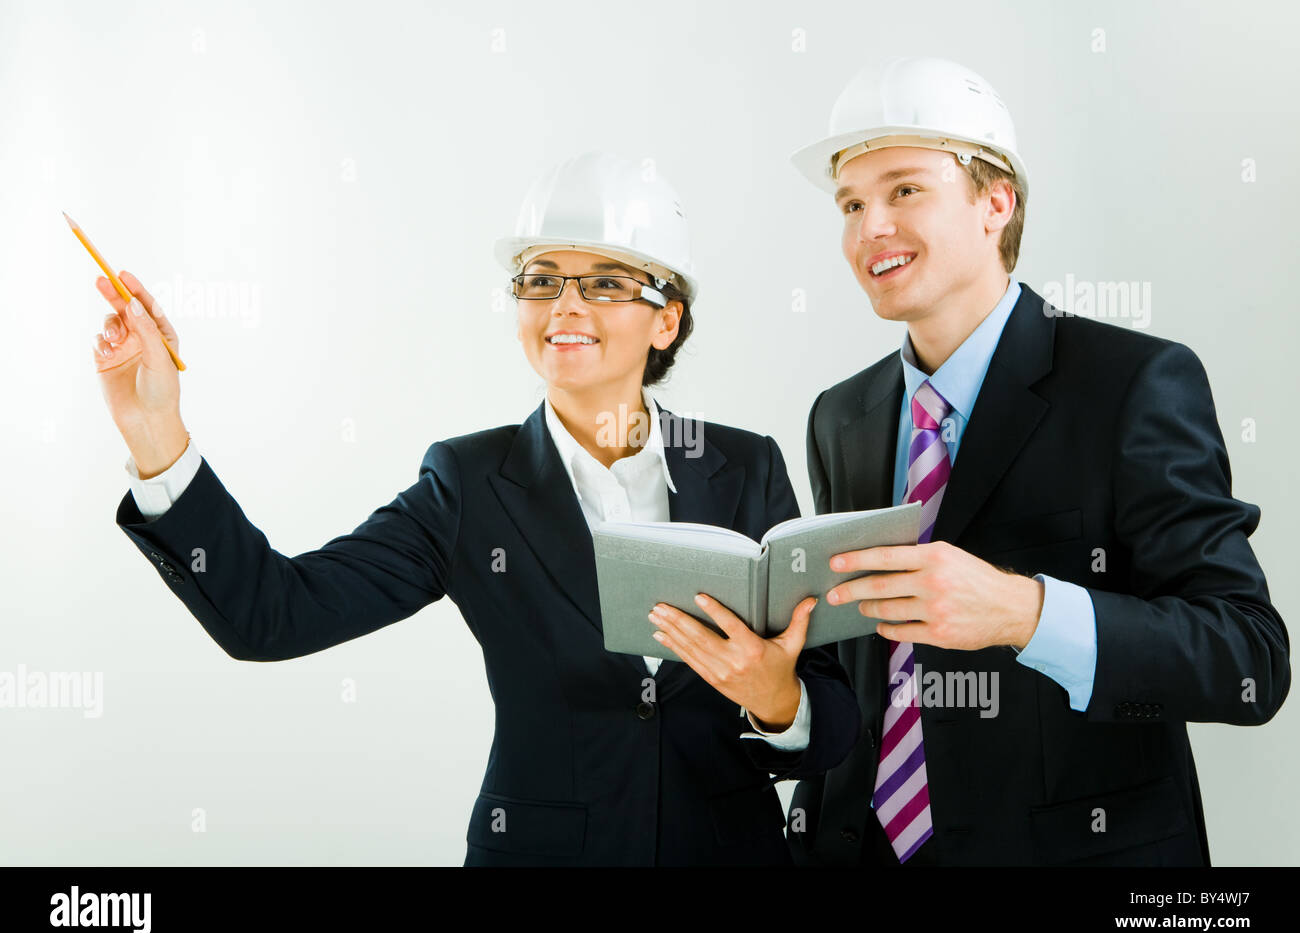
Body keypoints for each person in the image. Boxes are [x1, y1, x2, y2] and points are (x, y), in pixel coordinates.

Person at [92, 151, 859, 866]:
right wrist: (155, 430)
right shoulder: (469, 481)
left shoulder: (746, 465)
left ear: (667, 320)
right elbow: (273, 614)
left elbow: (831, 715)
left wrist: (776, 699)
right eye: (541, 278)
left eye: (605, 281)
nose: (564, 303)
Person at [783, 57, 1289, 866]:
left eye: (905, 190)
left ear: (996, 202)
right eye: (851, 203)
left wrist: (1024, 614)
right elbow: (860, 675)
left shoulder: (1130, 383)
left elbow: (1247, 660)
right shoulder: (841, 415)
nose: (868, 227)